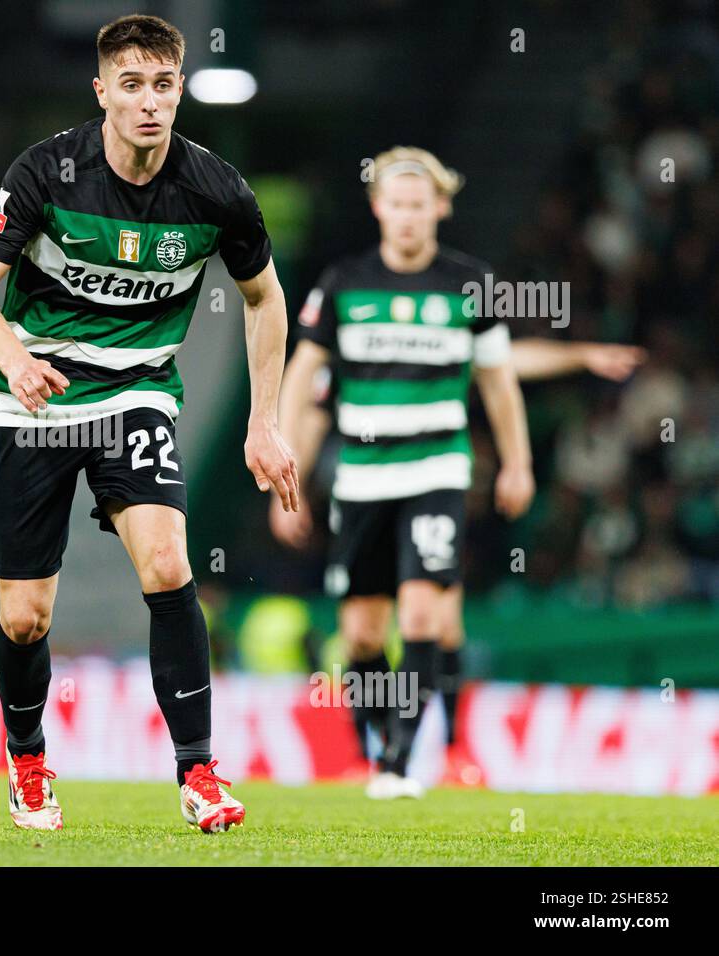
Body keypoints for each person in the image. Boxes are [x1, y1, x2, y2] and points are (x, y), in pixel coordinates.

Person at [0, 14, 299, 831]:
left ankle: (199, 773)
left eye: (164, 85)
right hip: (32, 398)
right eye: (132, 86)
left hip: (136, 394)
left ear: (180, 90)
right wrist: (17, 359)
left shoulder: (216, 190)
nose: (149, 103)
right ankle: (28, 763)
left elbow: (266, 298)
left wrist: (265, 423)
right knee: (24, 616)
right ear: (101, 90)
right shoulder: (46, 171)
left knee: (170, 566)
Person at [276, 147, 535, 799]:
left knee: (422, 617)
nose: (410, 217)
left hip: (437, 468)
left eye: (421, 205)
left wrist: (516, 462)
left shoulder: (471, 283)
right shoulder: (342, 282)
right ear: (378, 208)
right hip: (361, 476)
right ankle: (375, 748)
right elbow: (304, 374)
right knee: (362, 633)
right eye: (398, 204)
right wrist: (285, 468)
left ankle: (398, 759)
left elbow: (499, 383)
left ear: (441, 208)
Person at [271, 341, 645, 785]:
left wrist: (578, 357)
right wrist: (286, 492)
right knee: (361, 636)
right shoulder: (354, 337)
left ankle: (448, 752)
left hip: (432, 492)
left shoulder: (436, 337)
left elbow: (504, 360)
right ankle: (367, 752)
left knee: (442, 622)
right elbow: (314, 413)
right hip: (362, 500)